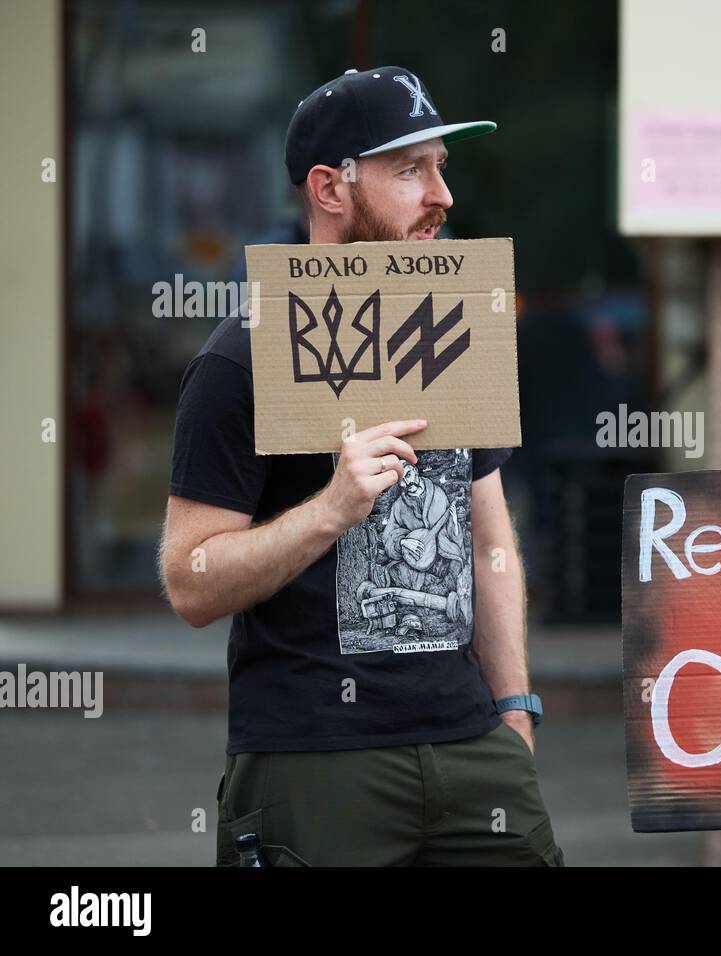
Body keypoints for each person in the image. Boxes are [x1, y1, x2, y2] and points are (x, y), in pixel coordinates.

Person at [160, 66, 562, 866]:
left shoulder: (453, 334)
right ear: (329, 188)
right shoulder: (242, 356)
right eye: (410, 170)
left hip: (471, 743)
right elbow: (190, 582)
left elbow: (490, 540)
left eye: (441, 168)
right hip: (314, 757)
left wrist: (514, 709)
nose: (441, 195)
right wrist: (329, 509)